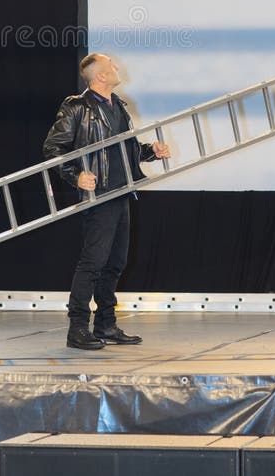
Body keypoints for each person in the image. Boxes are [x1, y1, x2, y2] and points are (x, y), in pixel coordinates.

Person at [43, 52, 171, 350]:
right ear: (100, 75)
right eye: (111, 65)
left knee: (115, 263)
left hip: (121, 191)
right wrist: (75, 176)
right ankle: (77, 328)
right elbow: (53, 149)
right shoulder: (77, 107)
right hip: (99, 195)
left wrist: (151, 151)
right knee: (93, 262)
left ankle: (105, 324)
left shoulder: (119, 107)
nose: (116, 67)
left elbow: (126, 150)